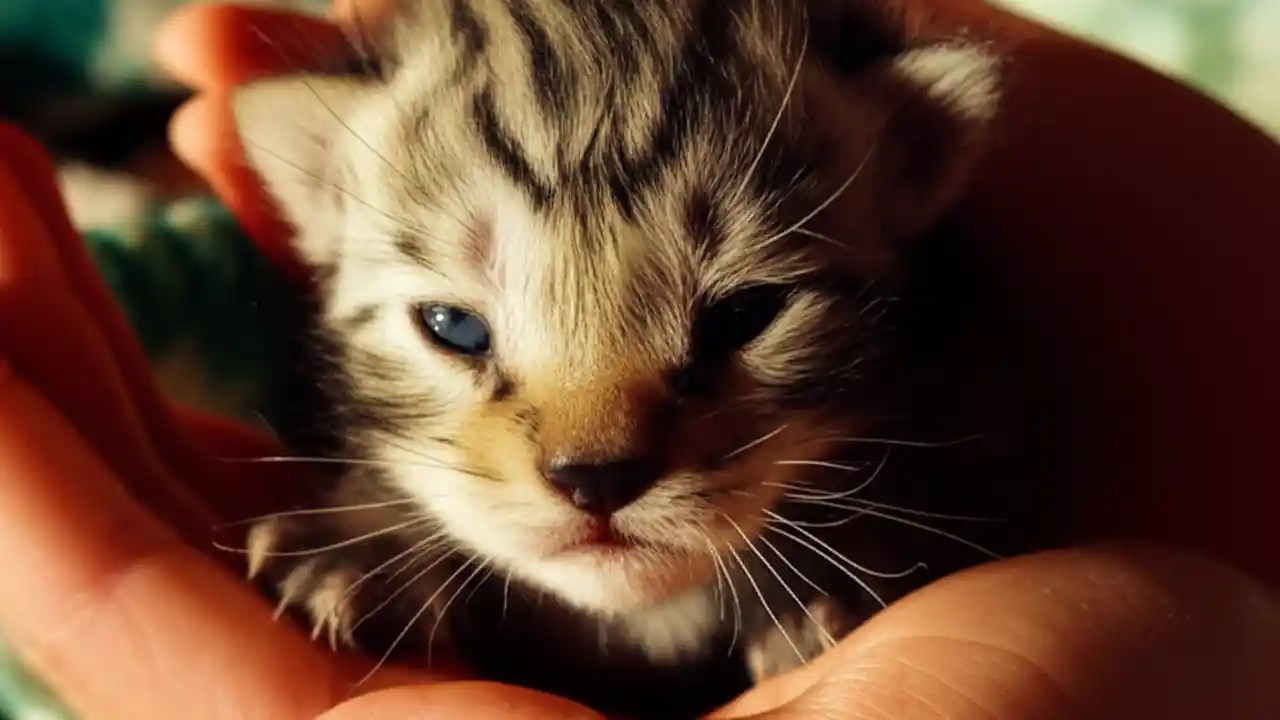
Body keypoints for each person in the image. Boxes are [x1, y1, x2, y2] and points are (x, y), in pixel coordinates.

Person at [0, 0, 1276, 717]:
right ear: (315, 201)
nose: (589, 453)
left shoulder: (968, 416)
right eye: (456, 330)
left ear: (909, 168)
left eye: (736, 317)